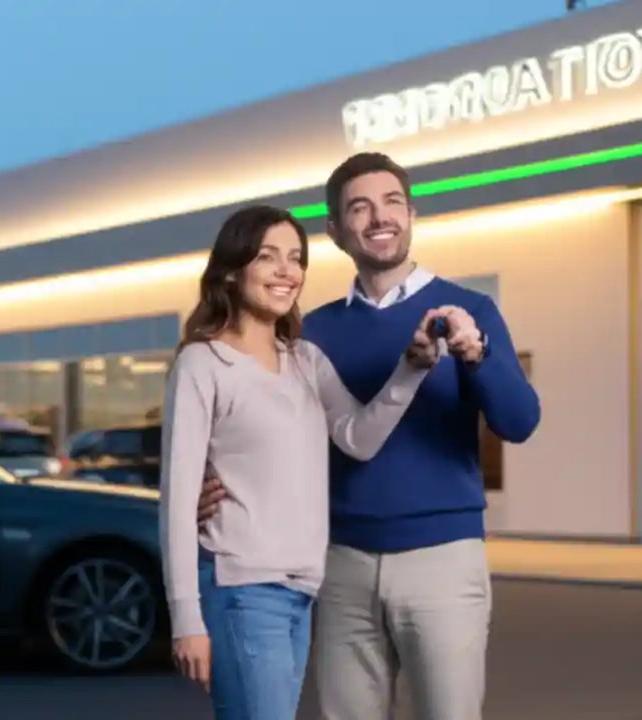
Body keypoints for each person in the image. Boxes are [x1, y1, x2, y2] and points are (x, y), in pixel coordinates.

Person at [196, 153, 542, 720]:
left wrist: (476, 354)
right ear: (336, 231)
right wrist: (211, 482)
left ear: (411, 215)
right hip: (340, 566)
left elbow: (519, 422)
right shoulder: (311, 332)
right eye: (360, 207)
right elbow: (266, 434)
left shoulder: (470, 311)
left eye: (392, 203)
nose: (380, 217)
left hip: (443, 561)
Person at [160, 204, 442, 720]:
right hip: (241, 588)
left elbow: (358, 437)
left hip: (301, 589)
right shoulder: (203, 363)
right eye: (268, 257)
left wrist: (410, 370)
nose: (286, 271)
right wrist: (186, 619)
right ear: (231, 269)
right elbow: (178, 501)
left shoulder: (304, 360)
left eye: (295, 258)